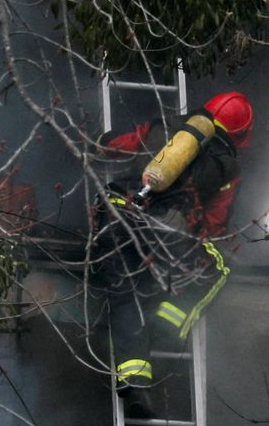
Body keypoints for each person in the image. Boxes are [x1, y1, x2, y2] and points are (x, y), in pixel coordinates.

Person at [96, 91, 253, 409]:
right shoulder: (227, 166)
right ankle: (167, 326)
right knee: (221, 267)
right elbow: (214, 225)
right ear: (238, 136)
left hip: (114, 216)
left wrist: (98, 140)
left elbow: (116, 147)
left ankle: (134, 377)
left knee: (124, 290)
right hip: (161, 230)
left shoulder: (164, 126)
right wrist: (191, 251)